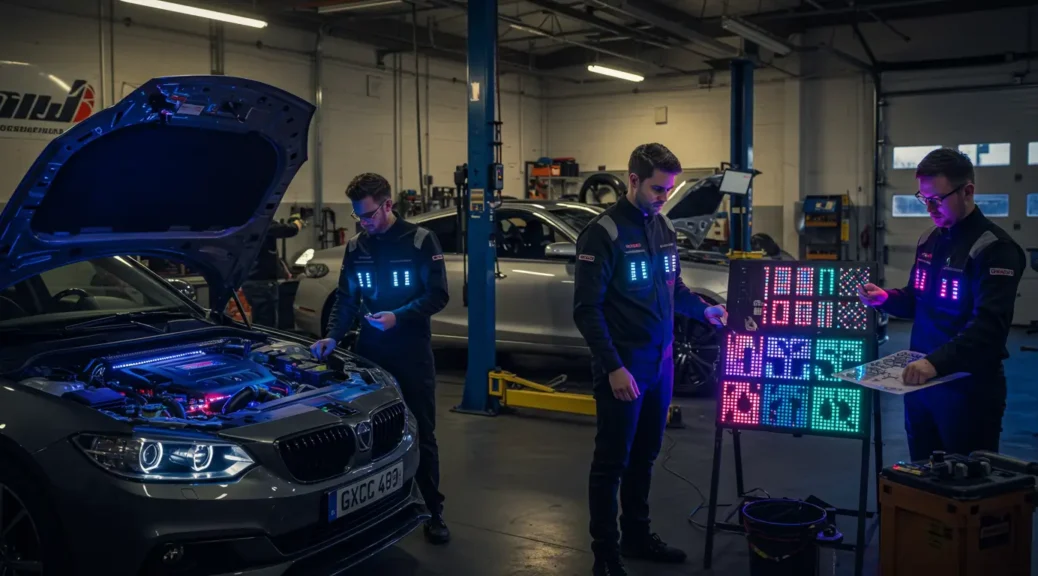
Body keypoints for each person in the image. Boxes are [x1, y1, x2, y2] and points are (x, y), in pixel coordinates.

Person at [573, 143, 728, 576]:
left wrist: (705, 309)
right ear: (634, 180)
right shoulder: (602, 234)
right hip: (624, 368)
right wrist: (613, 367)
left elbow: (673, 289)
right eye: (658, 188)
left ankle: (637, 537)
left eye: (670, 189)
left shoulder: (662, 229)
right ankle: (606, 554)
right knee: (612, 463)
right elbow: (587, 310)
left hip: (658, 368)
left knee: (644, 457)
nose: (664, 196)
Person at [310, 173, 451, 544]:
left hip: (411, 352)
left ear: (388, 204)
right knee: (366, 433)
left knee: (421, 430)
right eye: (358, 217)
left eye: (369, 215)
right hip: (370, 354)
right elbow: (346, 298)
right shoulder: (357, 246)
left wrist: (398, 316)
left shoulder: (420, 240)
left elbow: (438, 295)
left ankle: (433, 511)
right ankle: (370, 511)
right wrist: (332, 336)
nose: (364, 223)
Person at [858, 148, 1024, 462]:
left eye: (937, 199)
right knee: (923, 482)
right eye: (923, 199)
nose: (930, 208)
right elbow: (916, 300)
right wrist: (885, 299)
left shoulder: (995, 250)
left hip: (966, 391)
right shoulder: (930, 240)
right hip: (920, 384)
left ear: (968, 191)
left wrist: (936, 363)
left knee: (966, 490)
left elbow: (990, 328)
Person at [241, 213, 304, 327]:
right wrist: (297, 222)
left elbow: (265, 250)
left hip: (249, 280)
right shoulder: (261, 219)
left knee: (258, 321)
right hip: (262, 282)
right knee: (267, 326)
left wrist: (282, 268)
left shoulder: (243, 220)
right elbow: (290, 230)